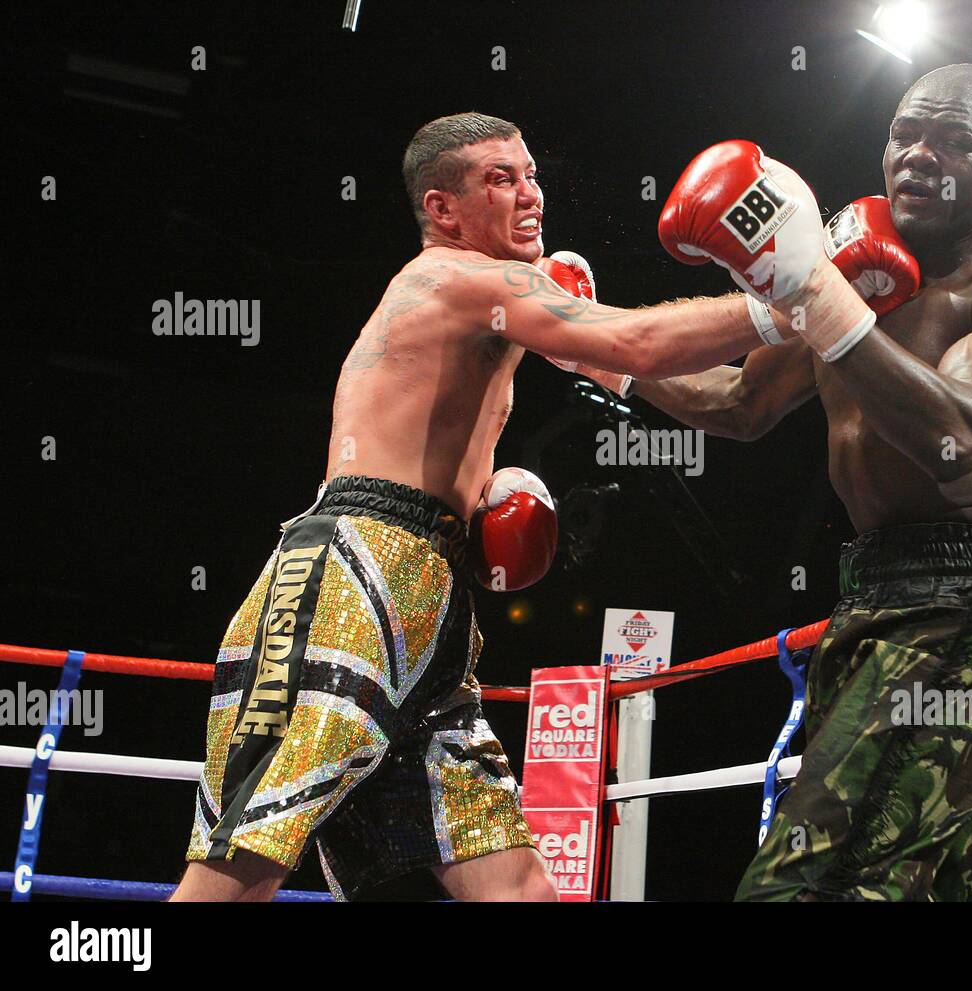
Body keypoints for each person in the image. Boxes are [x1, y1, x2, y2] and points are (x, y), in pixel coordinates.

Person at [172, 111, 864, 901]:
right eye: (502, 179)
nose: (531, 194)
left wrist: (822, 321)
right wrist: (799, 290)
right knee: (242, 872)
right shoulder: (455, 278)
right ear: (443, 209)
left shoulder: (507, 302)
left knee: (519, 886)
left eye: (531, 174)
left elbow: (724, 400)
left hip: (430, 609)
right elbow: (637, 341)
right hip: (348, 576)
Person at [639, 65, 972, 900]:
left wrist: (816, 294)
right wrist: (605, 360)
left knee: (804, 884)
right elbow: (741, 401)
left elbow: (956, 436)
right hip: (868, 597)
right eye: (905, 135)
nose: (919, 156)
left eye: (955, 142)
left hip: (965, 615)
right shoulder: (853, 282)